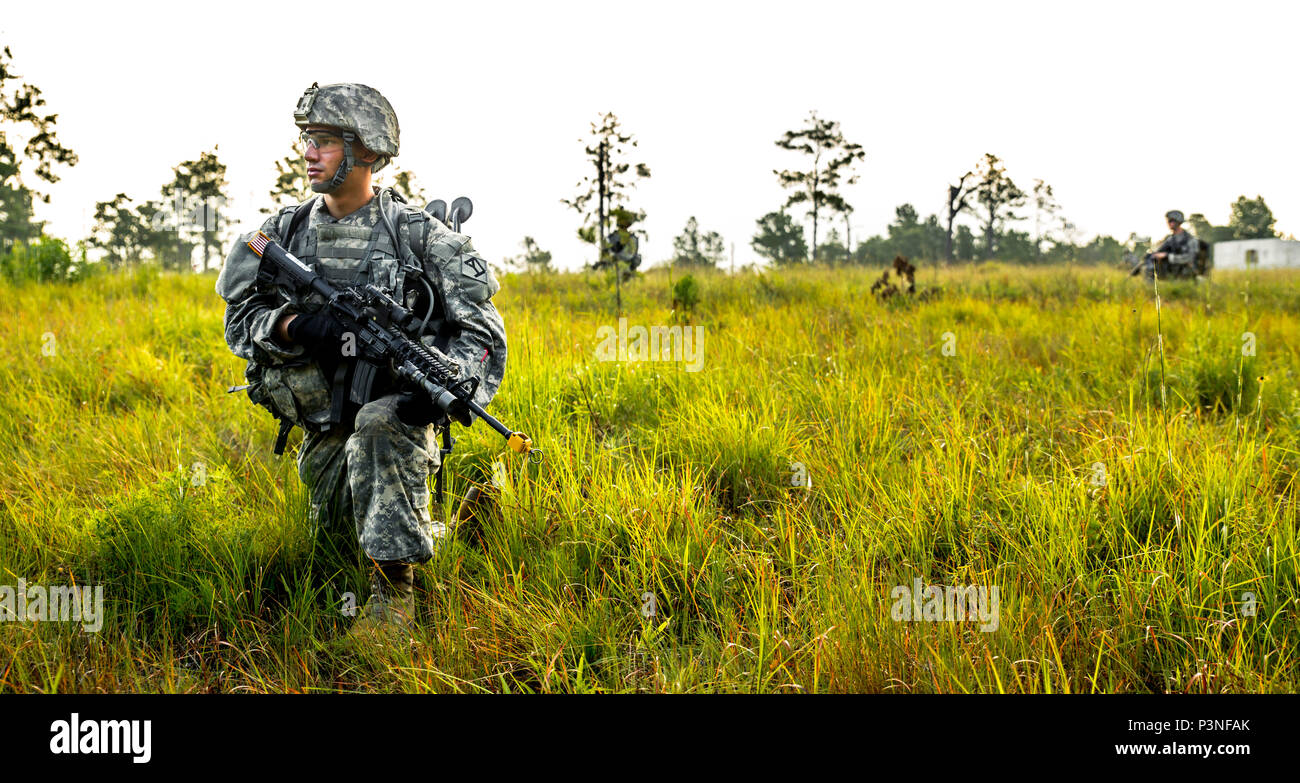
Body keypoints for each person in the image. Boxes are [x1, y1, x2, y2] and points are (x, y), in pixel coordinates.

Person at [215, 82, 507, 633]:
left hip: (393, 424)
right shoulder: (282, 234)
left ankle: (394, 604)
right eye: (307, 139)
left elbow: (483, 335)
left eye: (324, 140)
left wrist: (439, 388)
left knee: (379, 429)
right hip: (324, 426)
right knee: (337, 544)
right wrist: (294, 323)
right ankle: (461, 522)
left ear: (367, 151)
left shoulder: (421, 237)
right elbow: (237, 321)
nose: (308, 153)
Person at [1130, 210, 1201, 280]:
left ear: (1178, 222)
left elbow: (1190, 258)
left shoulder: (1190, 239)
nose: (1168, 223)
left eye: (1171, 221)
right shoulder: (1169, 239)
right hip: (1171, 270)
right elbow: (1158, 251)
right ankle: (1151, 290)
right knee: (1148, 264)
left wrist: (1167, 256)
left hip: (1185, 271)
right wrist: (1155, 255)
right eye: (1168, 221)